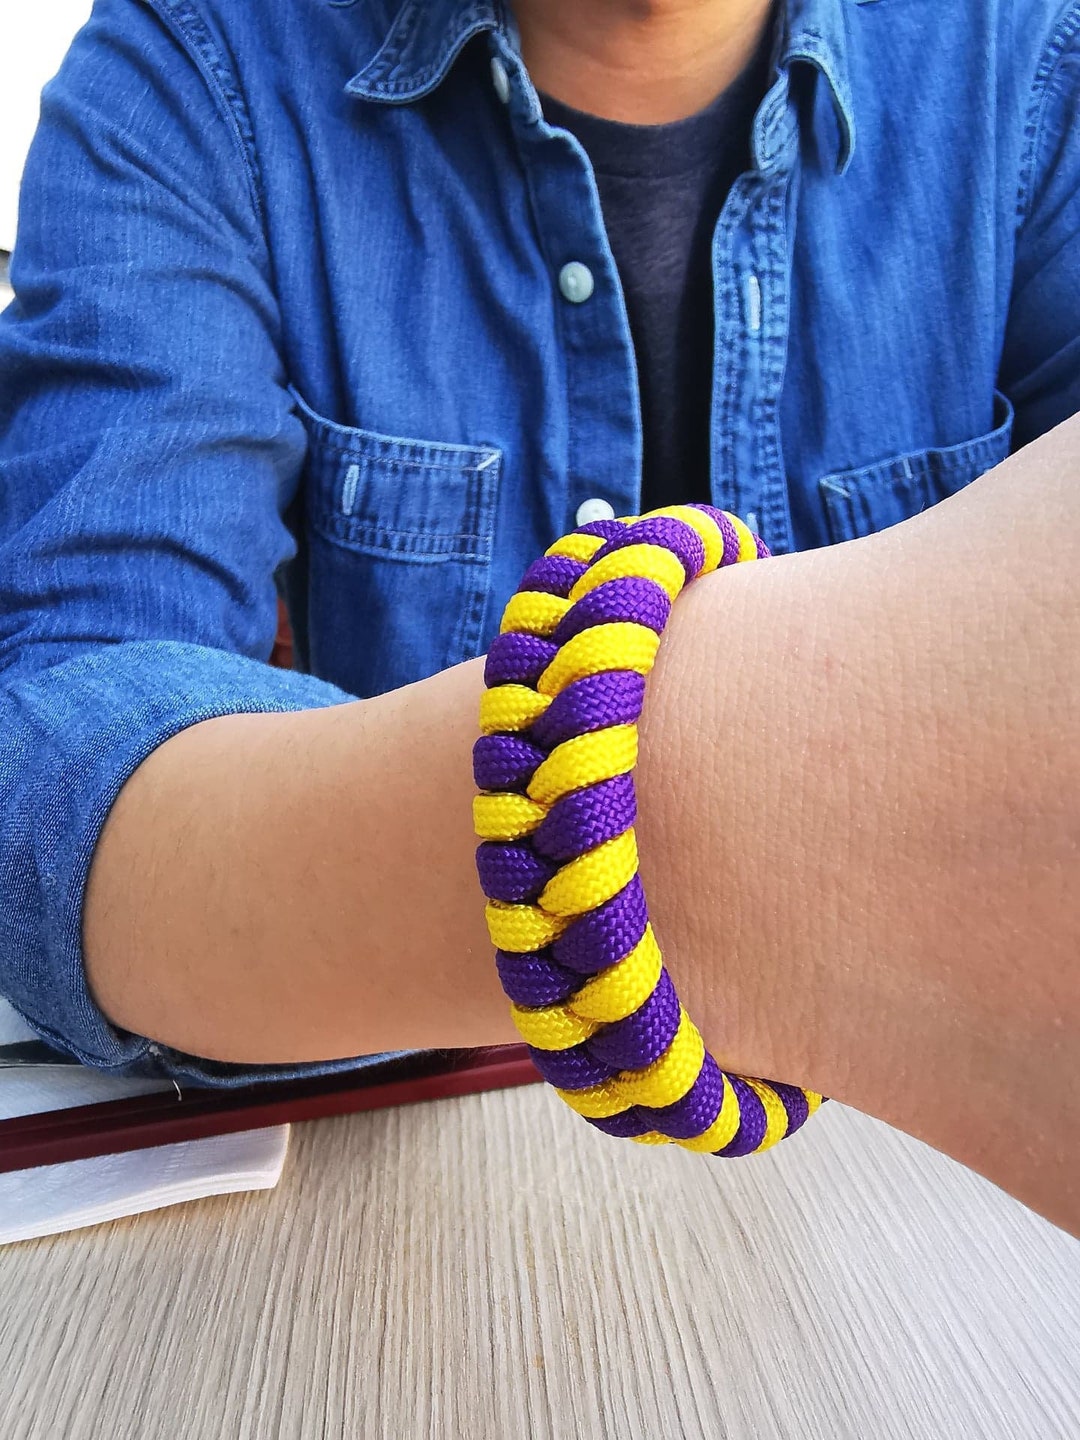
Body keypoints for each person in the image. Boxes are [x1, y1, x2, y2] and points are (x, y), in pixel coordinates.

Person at [0, 0, 1076, 1233]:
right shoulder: (199, 58)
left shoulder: (1032, 58)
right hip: (419, 1222)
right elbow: (52, 760)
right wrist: (710, 826)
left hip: (936, 1245)